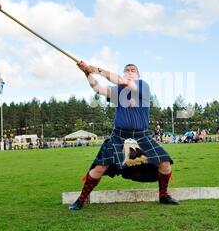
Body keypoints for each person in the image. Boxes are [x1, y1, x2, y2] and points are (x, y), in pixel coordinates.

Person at [68, 62, 179, 211]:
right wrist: (87, 73)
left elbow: (123, 81)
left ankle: (163, 195)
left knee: (165, 164)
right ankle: (81, 200)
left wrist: (98, 70)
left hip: (142, 137)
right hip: (119, 136)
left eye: (133, 70)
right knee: (99, 168)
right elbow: (98, 88)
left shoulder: (142, 86)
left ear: (138, 76)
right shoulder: (119, 92)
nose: (130, 72)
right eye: (127, 70)